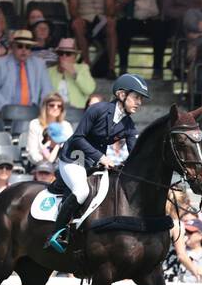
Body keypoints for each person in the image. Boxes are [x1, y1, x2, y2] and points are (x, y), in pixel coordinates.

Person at [45, 73, 148, 252]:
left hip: (91, 163)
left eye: (141, 99)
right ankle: (57, 233)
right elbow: (78, 138)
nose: (139, 102)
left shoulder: (129, 125)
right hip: (73, 158)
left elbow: (136, 153)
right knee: (82, 191)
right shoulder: (97, 110)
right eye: (136, 97)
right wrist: (101, 158)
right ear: (122, 95)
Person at [67, 0, 119, 77]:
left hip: (101, 19)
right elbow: (72, 6)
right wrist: (77, 18)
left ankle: (111, 68)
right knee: (77, 24)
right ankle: (87, 64)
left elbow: (110, 8)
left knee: (111, 24)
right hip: (84, 18)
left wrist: (109, 15)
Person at [116, 0, 166, 78]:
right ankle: (123, 68)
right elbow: (116, 8)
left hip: (150, 20)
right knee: (122, 27)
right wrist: (125, 1)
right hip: (132, 20)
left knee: (161, 29)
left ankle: (158, 70)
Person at [0, 29, 52, 109]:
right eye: (20, 46)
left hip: (32, 112)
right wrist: (5, 108)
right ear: (12, 47)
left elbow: (47, 90)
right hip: (5, 113)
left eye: (27, 47)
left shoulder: (39, 64)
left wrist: (42, 110)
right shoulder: (0, 63)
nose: (24, 50)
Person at [47, 38, 95, 109]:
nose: (64, 56)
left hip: (76, 110)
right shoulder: (50, 71)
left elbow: (89, 89)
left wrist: (73, 72)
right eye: (61, 53)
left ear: (74, 57)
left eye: (68, 54)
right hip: (54, 110)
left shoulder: (82, 68)